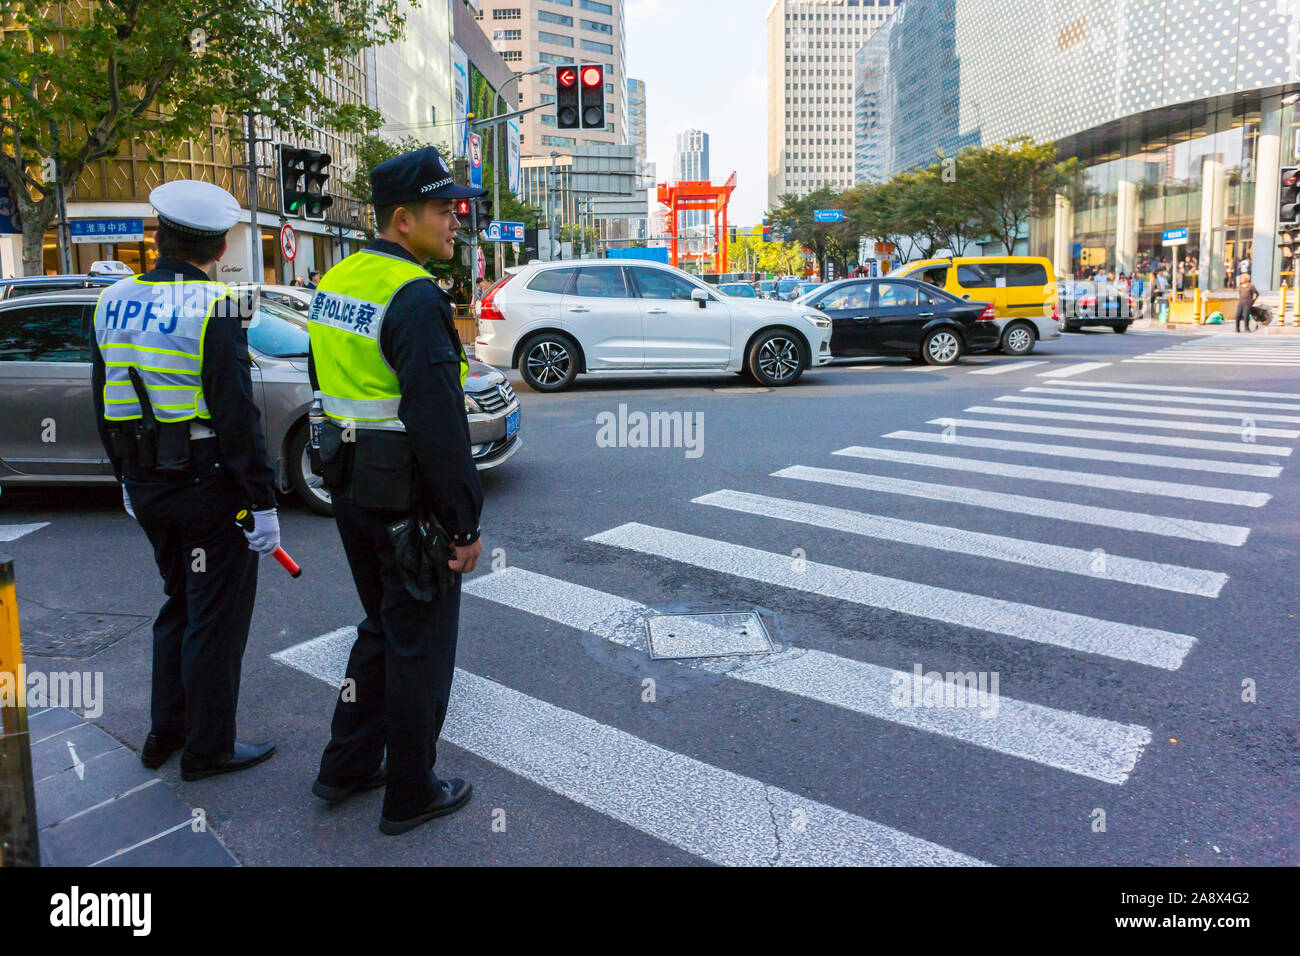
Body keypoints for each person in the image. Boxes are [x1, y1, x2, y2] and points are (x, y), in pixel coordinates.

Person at [307, 146, 484, 835]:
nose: (455, 221)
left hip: (351, 488)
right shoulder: (414, 298)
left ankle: (345, 764)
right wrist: (464, 525)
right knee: (421, 647)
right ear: (403, 219)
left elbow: (325, 381)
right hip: (408, 501)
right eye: (444, 210)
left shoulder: (338, 281)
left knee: (382, 628)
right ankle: (411, 792)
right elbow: (439, 424)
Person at [91, 180, 279, 780]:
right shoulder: (219, 304)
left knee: (179, 601)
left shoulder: (110, 299)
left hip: (147, 482)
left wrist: (123, 477)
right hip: (206, 485)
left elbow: (103, 397)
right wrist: (263, 501)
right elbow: (235, 415)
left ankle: (162, 734)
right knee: (214, 618)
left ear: (159, 235)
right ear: (221, 245)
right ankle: (207, 749)